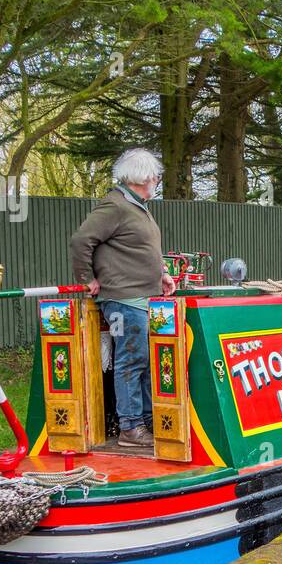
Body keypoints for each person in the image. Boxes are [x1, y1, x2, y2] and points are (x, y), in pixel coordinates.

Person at [69, 148, 176, 447]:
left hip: (142, 298)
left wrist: (162, 274)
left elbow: (141, 250)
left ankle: (144, 422)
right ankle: (130, 428)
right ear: (145, 177)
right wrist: (86, 279)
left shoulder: (137, 207)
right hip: (123, 300)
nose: (157, 180)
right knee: (131, 361)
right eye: (155, 175)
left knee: (141, 360)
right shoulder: (115, 206)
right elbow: (81, 240)